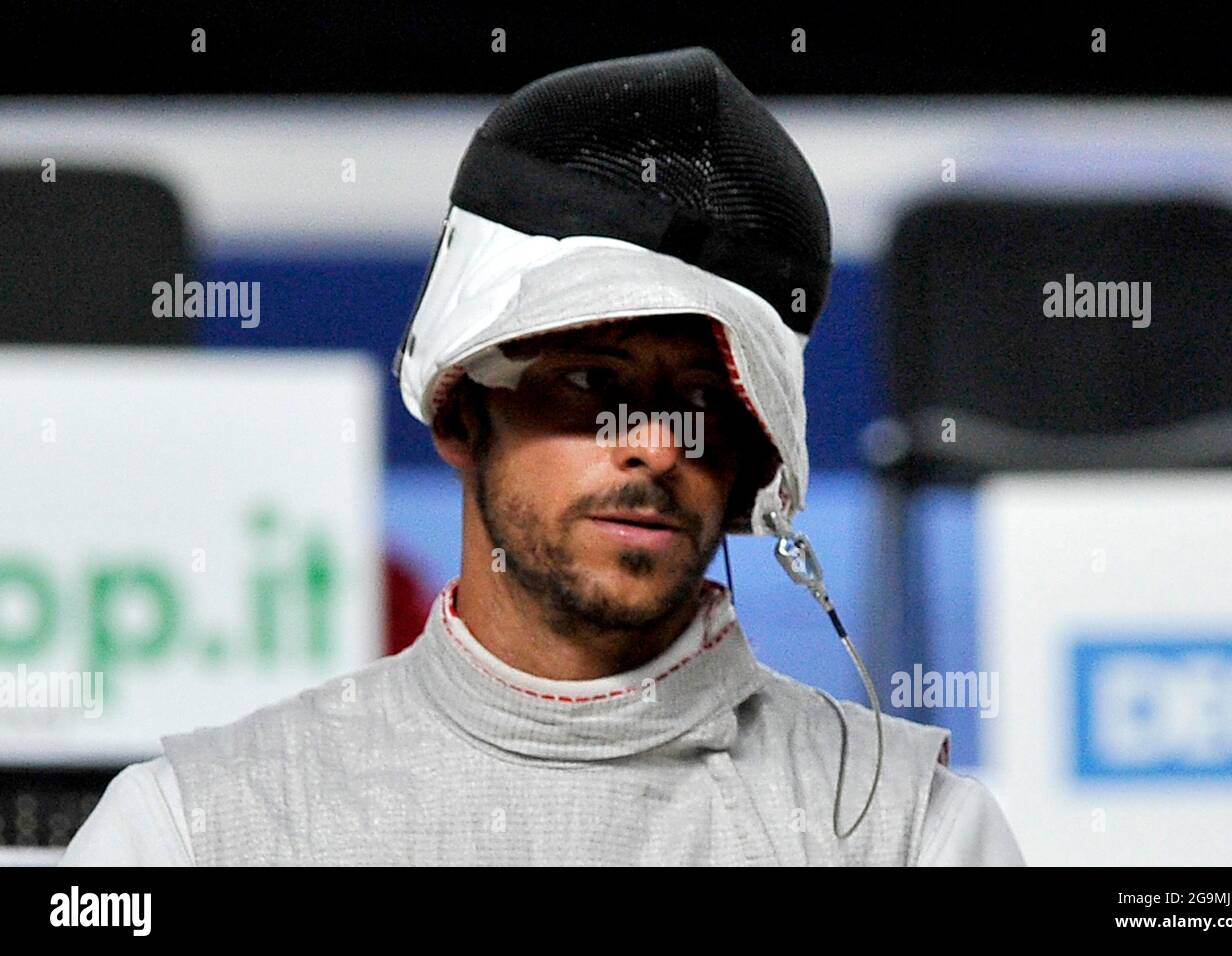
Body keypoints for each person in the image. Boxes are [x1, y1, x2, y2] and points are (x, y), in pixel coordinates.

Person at [61, 46, 1024, 866]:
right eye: (593, 380)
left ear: (752, 458)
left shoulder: (907, 835)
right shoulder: (197, 831)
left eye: (701, 397)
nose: (654, 443)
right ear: (460, 411)